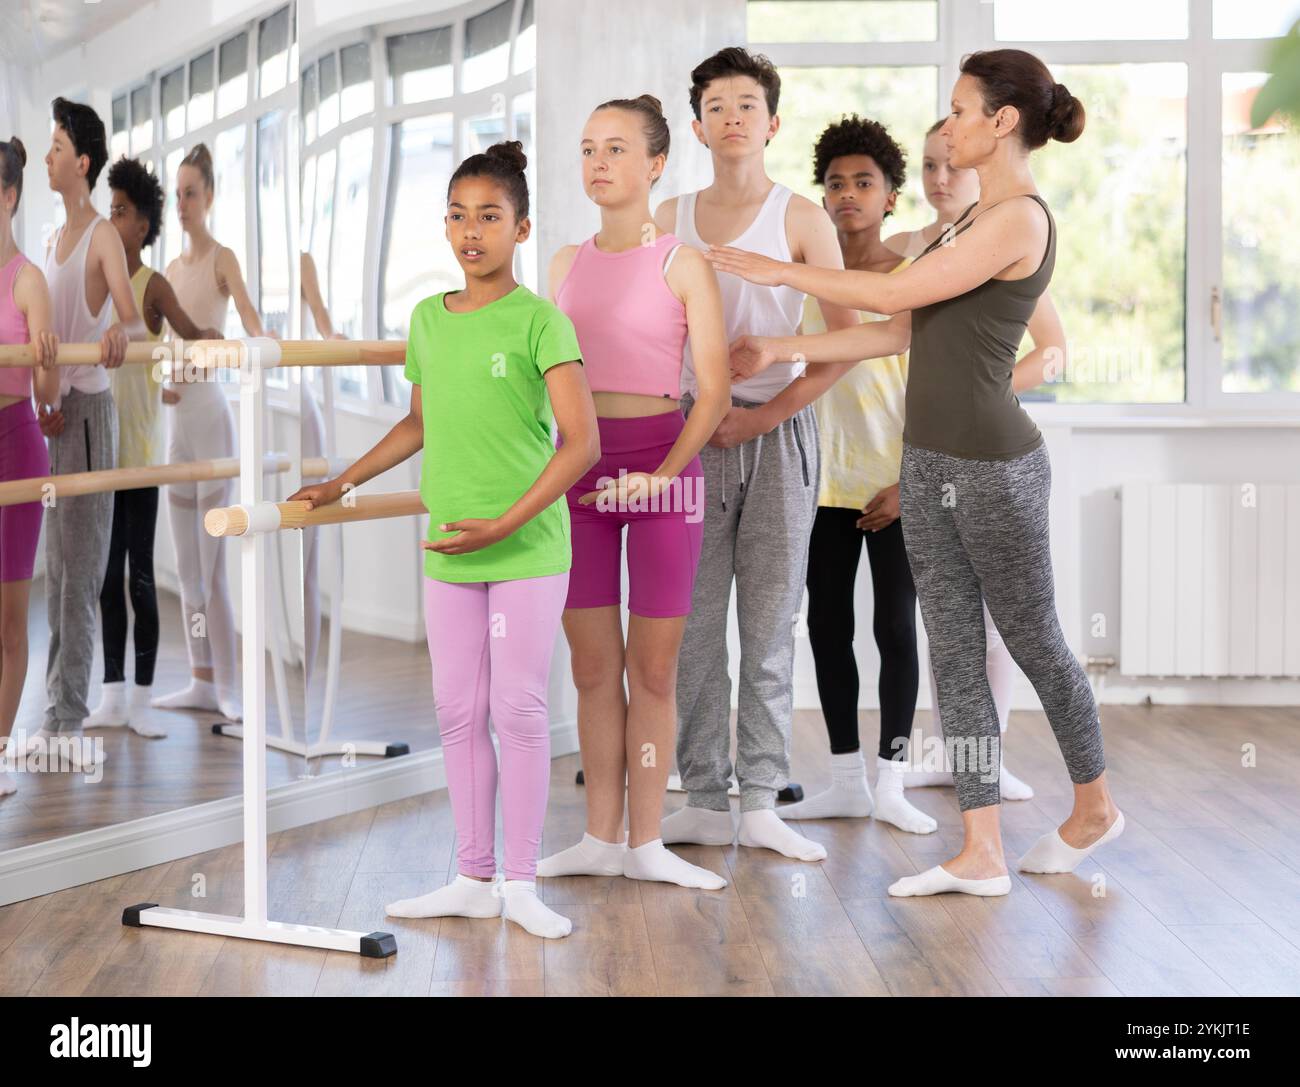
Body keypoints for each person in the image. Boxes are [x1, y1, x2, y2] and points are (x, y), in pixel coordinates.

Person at [712, 49, 1123, 897]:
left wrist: (781, 268)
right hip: (929, 459)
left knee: (1035, 639)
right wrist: (785, 342)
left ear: (1004, 122)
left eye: (964, 110)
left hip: (996, 466)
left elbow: (895, 299)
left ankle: (1094, 807)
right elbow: (895, 335)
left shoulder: (1020, 220)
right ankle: (981, 848)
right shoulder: (965, 227)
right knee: (958, 655)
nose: (953, 125)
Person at [290, 142, 600, 939]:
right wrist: (339, 482)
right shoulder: (429, 317)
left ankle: (523, 883)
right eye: (459, 215)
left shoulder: (542, 320)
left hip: (527, 548)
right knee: (457, 710)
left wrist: (507, 520)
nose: (472, 231)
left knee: (519, 707)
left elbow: (581, 443)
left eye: (490, 216)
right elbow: (418, 424)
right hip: (449, 550)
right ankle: (472, 873)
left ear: (521, 227)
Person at [653, 47, 860, 863]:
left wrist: (765, 412)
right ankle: (704, 797)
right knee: (694, 626)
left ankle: (764, 797)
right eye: (716, 104)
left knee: (771, 623)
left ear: (773, 123)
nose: (732, 115)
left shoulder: (804, 218)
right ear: (698, 125)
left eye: (747, 103)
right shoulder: (666, 219)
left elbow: (843, 348)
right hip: (686, 439)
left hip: (780, 438)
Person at [537, 95, 730, 889]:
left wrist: (657, 475)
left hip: (665, 466)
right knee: (590, 668)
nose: (598, 163)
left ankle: (647, 840)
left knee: (653, 670)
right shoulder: (561, 263)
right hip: (578, 471)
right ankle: (600, 836)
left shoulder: (682, 263)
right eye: (588, 149)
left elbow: (712, 394)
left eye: (617, 149)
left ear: (656, 164)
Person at [774, 115, 938, 833]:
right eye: (835, 183)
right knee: (827, 628)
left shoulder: (917, 282)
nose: (847, 194)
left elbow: (938, 390)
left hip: (897, 485)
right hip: (820, 484)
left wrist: (912, 482)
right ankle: (845, 780)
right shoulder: (808, 283)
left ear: (891, 197)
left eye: (863, 183)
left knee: (895, 627)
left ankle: (892, 781)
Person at [27, 98, 145, 768]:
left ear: (83, 162)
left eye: (55, 147)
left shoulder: (102, 235)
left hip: (94, 421)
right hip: (58, 417)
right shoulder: (49, 239)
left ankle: (66, 722)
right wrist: (46, 398)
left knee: (80, 573)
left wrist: (112, 335)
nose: (47, 157)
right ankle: (55, 711)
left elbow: (132, 324)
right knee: (57, 574)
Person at [86, 156, 222, 737]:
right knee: (104, 576)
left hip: (140, 455)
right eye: (108, 209)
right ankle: (111, 693)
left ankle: (141, 699)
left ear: (142, 225)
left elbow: (192, 334)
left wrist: (224, 341)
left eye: (120, 212)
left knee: (140, 574)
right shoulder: (97, 279)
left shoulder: (152, 285)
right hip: (98, 454)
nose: (110, 219)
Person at [153, 142, 268, 721]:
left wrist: (219, 356)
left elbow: (254, 332)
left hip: (213, 423)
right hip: (179, 424)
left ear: (211, 196)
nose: (182, 205)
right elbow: (161, 350)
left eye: (191, 193)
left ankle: (231, 687)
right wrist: (163, 381)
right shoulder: (170, 271)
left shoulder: (222, 259)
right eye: (176, 195)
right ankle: (200, 679)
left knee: (214, 566)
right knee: (187, 570)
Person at [0, 135, 60, 795]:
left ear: (10, 196)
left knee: (11, 621)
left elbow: (48, 400)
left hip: (17, 442)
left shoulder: (29, 280)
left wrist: (45, 361)